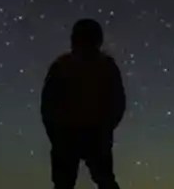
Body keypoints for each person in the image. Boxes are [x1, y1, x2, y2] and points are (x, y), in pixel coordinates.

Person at [41, 18, 126, 189]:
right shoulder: (105, 66)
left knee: (67, 183)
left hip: (75, 134)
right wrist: (106, 128)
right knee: (103, 181)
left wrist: (56, 134)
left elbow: (48, 105)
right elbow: (117, 103)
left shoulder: (63, 65)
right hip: (86, 133)